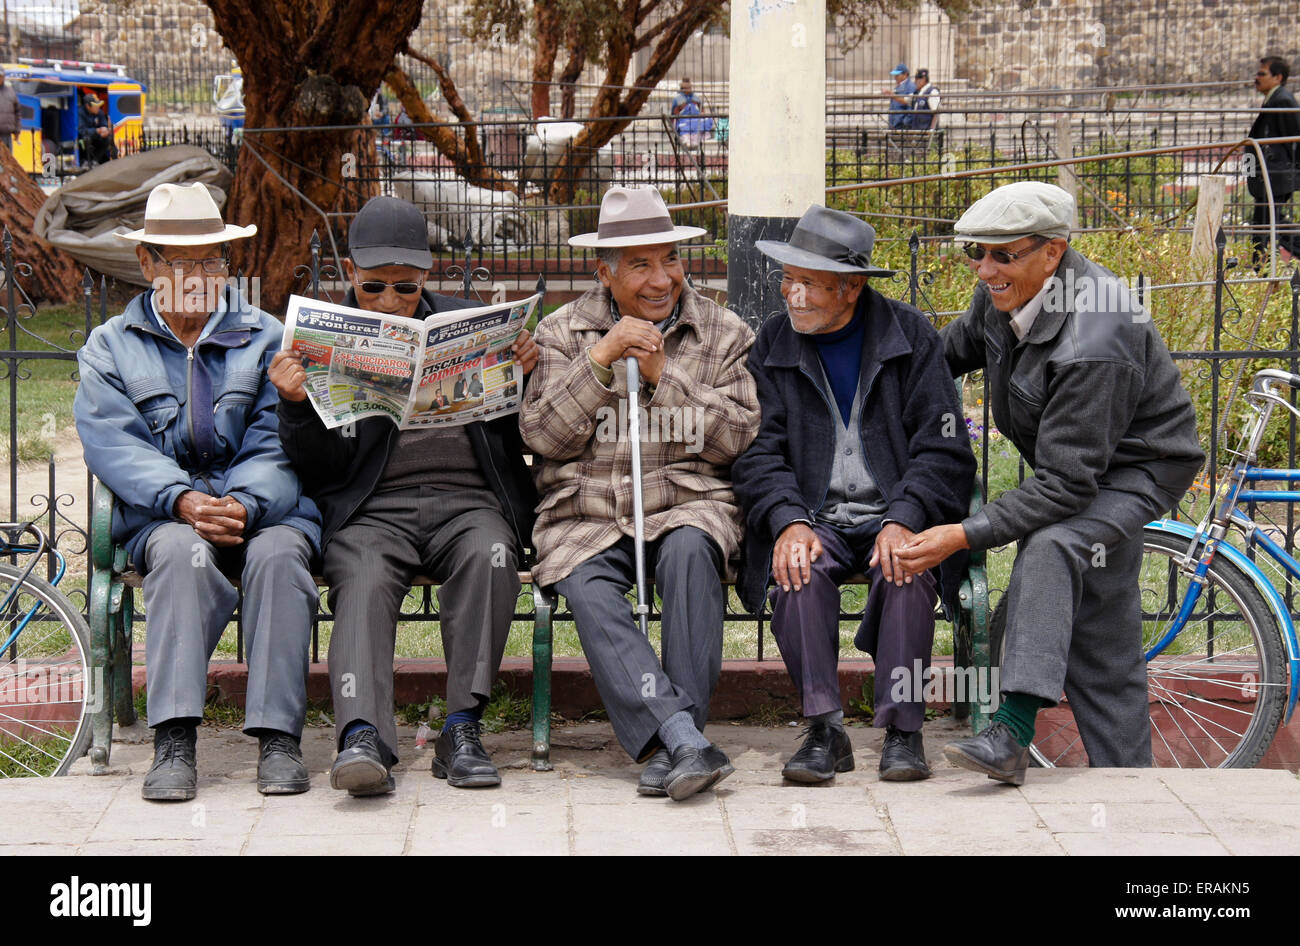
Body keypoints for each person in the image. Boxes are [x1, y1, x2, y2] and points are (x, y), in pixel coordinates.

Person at [896, 181, 1205, 784]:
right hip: (1080, 466)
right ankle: (1134, 788)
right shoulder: (1004, 295)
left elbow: (1067, 486)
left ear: (1054, 252)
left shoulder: (1097, 336)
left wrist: (961, 534)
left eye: (1001, 254)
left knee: (1053, 546)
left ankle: (1011, 734)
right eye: (974, 253)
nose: (984, 270)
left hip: (1136, 469)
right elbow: (937, 357)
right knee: (1099, 636)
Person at [272, 195, 540, 796]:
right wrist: (297, 407)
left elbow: (522, 432)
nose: (391, 302)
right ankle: (363, 735)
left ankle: (462, 728)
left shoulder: (468, 324)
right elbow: (320, 470)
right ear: (350, 275)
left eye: (406, 287)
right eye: (374, 288)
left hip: (469, 504)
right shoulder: (321, 339)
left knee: (492, 556)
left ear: (426, 276)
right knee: (361, 575)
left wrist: (525, 374)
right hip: (374, 511)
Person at [73, 182, 322, 801]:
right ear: (147, 264)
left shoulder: (267, 338)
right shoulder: (110, 348)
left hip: (261, 512)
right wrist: (182, 501)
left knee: (280, 556)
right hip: (165, 517)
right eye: (182, 262)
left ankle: (277, 739)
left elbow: (279, 441)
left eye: (212, 260)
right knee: (182, 555)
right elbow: (114, 445)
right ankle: (175, 738)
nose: (201, 274)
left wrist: (242, 502)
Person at [520, 185, 760, 801]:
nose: (662, 280)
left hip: (686, 501)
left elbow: (737, 436)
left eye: (670, 260)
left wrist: (664, 377)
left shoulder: (723, 331)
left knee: (689, 553)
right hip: (587, 508)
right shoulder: (560, 332)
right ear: (603, 272)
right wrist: (599, 362)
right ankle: (683, 738)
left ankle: (675, 740)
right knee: (584, 582)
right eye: (640, 265)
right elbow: (544, 436)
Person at [733, 206, 976, 783]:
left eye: (809, 284)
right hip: (814, 515)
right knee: (797, 571)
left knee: (907, 568)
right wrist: (790, 521)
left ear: (852, 287)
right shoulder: (772, 342)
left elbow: (943, 449)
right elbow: (757, 451)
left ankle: (904, 730)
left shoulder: (909, 336)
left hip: (894, 510)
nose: (792, 295)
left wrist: (905, 516)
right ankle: (824, 729)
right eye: (788, 279)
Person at [1246, 56, 1299, 264]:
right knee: (1266, 223)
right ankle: (1260, 266)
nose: (1256, 77)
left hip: (1276, 176)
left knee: (1269, 224)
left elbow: (1294, 138)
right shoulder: (1274, 98)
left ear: (1277, 77)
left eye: (1262, 73)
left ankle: (1260, 266)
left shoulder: (1283, 100)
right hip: (1269, 175)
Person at [79, 91, 117, 167]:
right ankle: (85, 161)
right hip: (84, 138)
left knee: (108, 139)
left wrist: (105, 130)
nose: (98, 107)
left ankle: (95, 161)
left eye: (98, 104)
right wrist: (97, 130)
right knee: (86, 139)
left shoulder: (100, 112)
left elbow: (104, 125)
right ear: (88, 106)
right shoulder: (80, 113)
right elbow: (81, 131)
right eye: (95, 105)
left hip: (97, 136)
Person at [887, 64, 916, 130]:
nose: (895, 77)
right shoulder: (898, 87)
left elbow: (910, 106)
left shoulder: (910, 87)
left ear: (905, 75)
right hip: (895, 124)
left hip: (901, 126)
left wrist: (905, 123)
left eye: (897, 75)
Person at [0, 68, 21, 153]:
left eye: (1, 76)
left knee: (8, 164)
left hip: (7, 136)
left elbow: (18, 112)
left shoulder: (11, 92)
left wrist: (17, 131)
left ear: (4, 77)